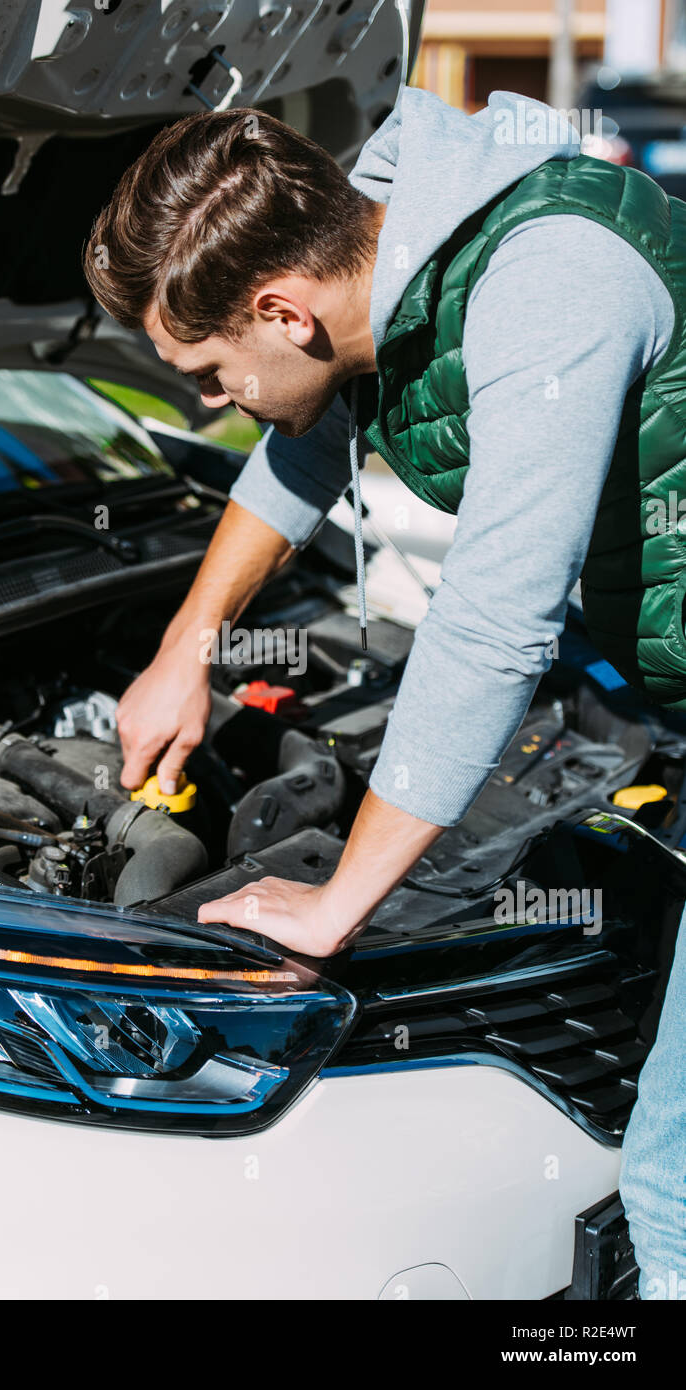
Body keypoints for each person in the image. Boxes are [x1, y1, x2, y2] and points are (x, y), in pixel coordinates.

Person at [85, 86, 686, 1296]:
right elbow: (303, 446)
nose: (213, 399)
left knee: (672, 1184)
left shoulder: (548, 276)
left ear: (282, 311)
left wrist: (334, 903)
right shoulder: (382, 253)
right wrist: (185, 646)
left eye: (208, 372)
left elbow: (494, 618)